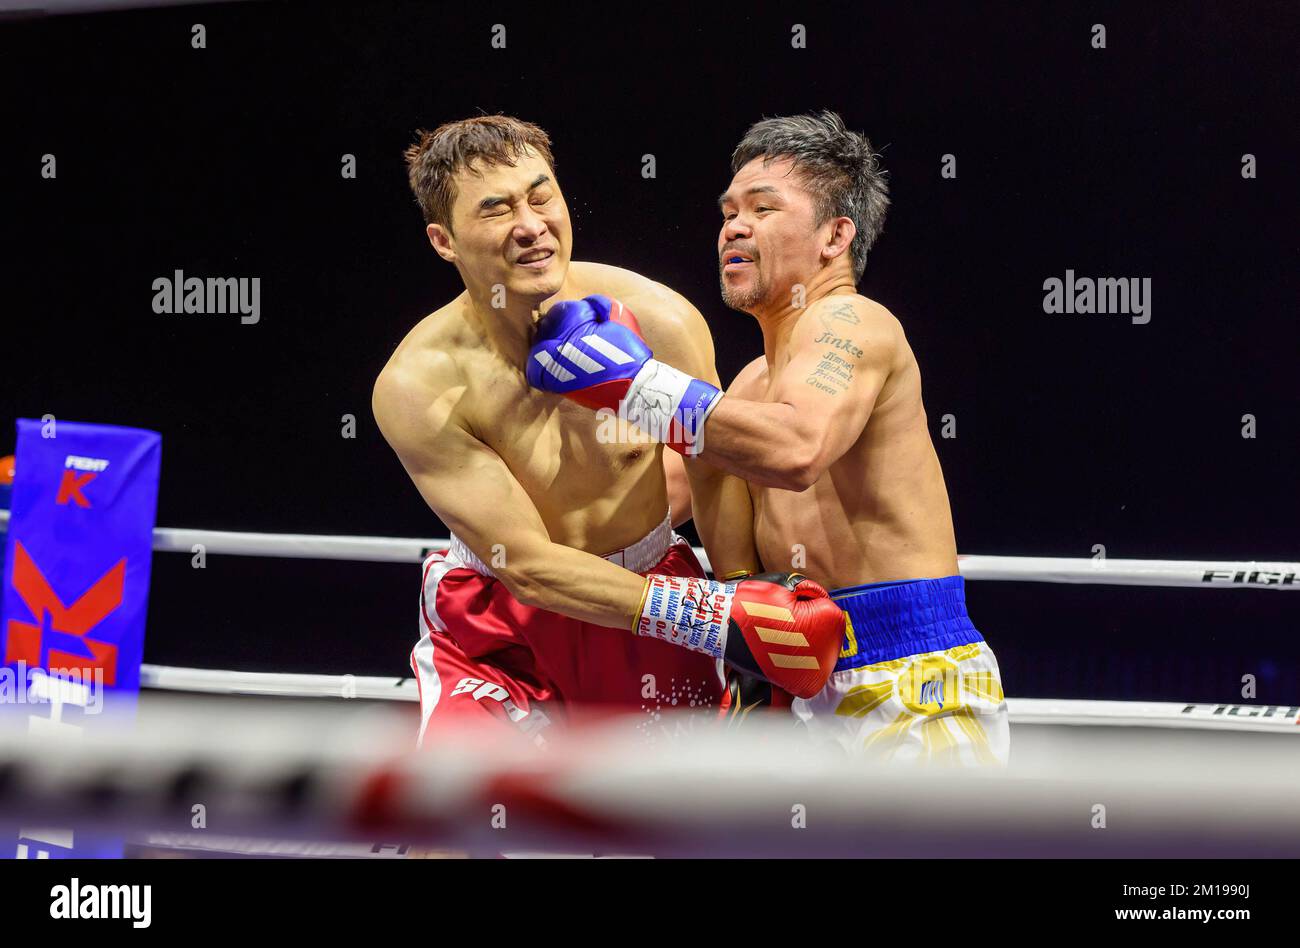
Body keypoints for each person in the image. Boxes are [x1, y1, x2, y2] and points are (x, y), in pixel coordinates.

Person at [527, 111, 1009, 764]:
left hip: (912, 674)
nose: (734, 225)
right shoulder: (747, 391)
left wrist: (626, 381)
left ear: (837, 234)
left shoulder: (857, 322)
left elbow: (795, 450)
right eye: (728, 210)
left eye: (763, 207)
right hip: (791, 676)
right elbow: (646, 511)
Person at [373, 115, 846, 746]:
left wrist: (741, 611)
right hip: (501, 624)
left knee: (675, 828)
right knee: (452, 818)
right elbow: (529, 565)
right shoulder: (420, 385)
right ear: (443, 240)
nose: (530, 225)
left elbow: (712, 475)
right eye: (496, 209)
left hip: (655, 597)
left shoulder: (660, 320)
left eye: (542, 197)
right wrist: (716, 622)